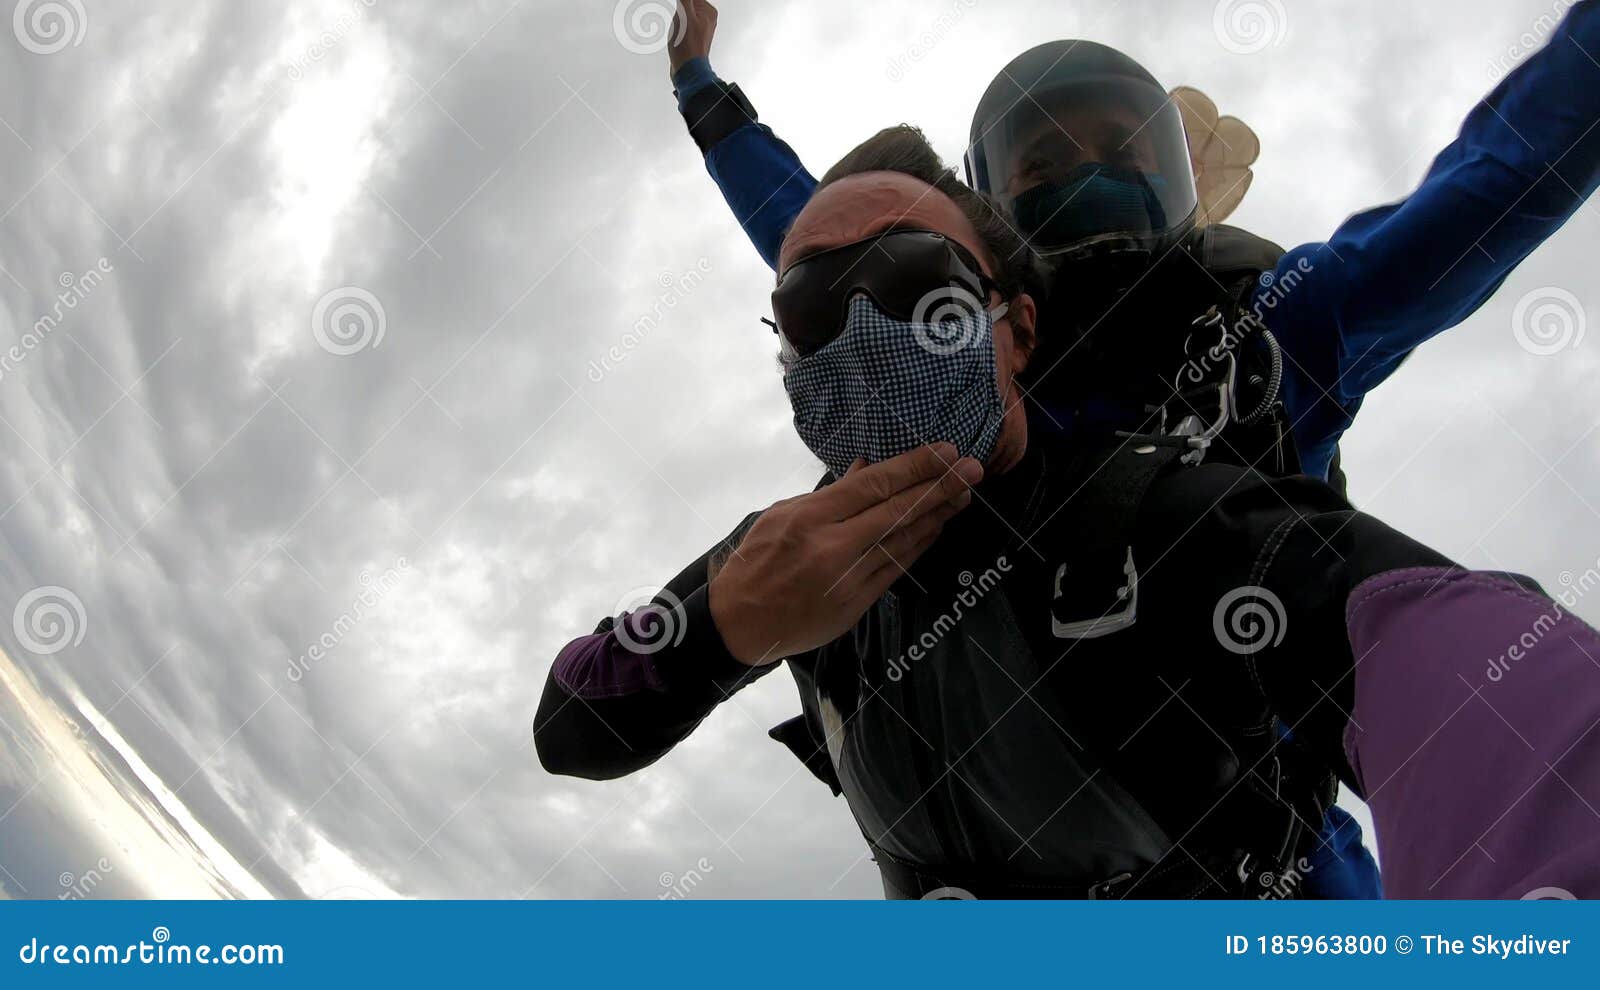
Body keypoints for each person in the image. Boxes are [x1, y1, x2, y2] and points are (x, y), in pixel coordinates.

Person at [660, 0, 1600, 899]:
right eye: (1039, 164)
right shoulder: (978, 355)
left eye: (1123, 150)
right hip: (1023, 816)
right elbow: (823, 240)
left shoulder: (1277, 326)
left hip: (1267, 866)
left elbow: (1497, 181)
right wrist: (703, 91)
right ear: (988, 230)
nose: (1087, 174)